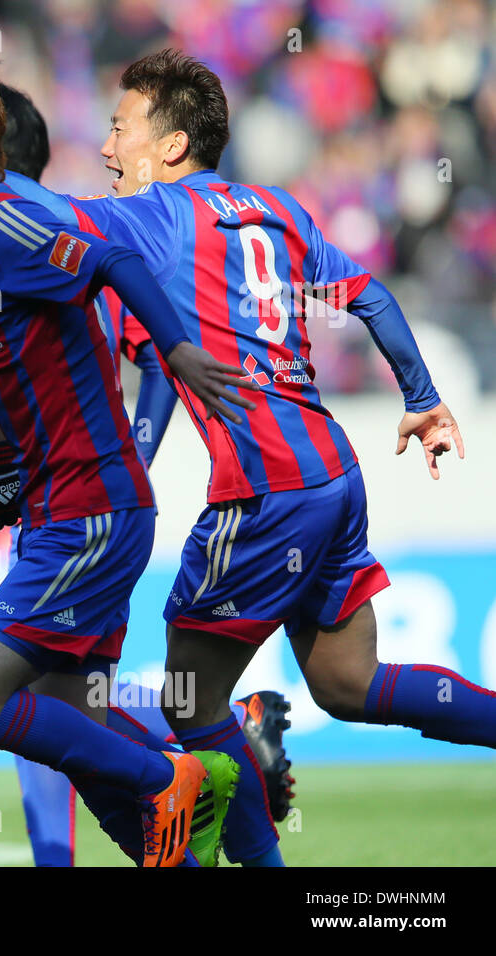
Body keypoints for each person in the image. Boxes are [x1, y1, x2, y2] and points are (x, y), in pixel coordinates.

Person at [0, 71, 293, 867]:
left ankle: (172, 772)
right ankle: (184, 804)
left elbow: (112, 257)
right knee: (75, 732)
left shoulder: (6, 226)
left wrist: (179, 349)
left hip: (91, 514)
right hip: (66, 510)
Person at [75, 48, 491, 863]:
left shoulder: (155, 216)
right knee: (350, 684)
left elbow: (32, 217)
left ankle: (259, 850)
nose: (105, 147)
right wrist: (420, 398)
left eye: (119, 129)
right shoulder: (276, 209)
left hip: (264, 485)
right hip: (332, 471)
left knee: (189, 703)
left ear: (170, 145)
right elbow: (370, 295)